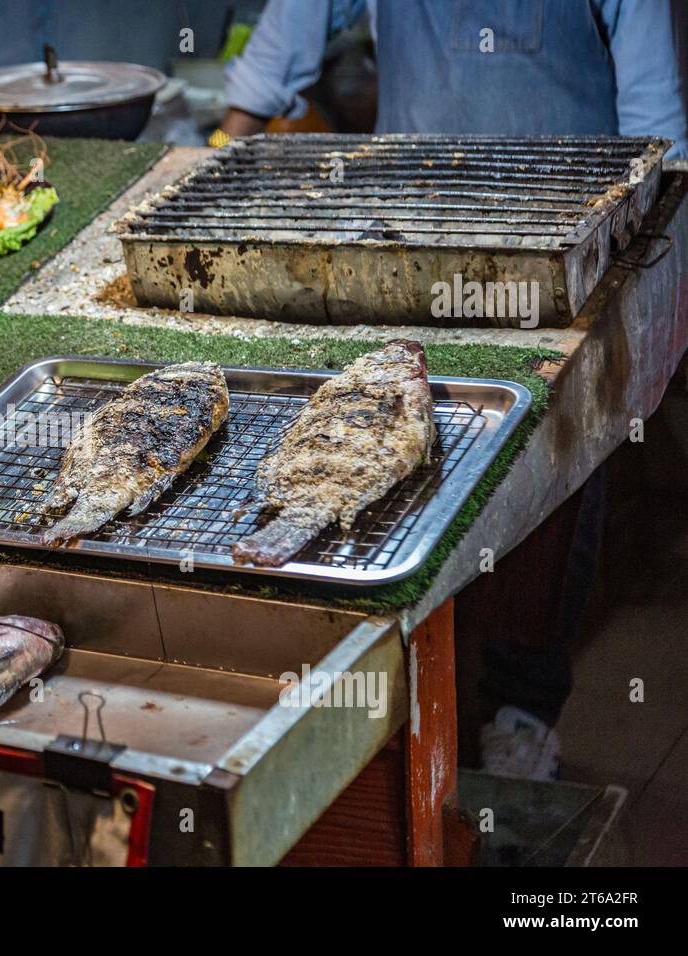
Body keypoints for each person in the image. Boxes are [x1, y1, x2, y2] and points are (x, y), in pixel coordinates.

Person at [218, 0, 685, 779]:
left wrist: (636, 279)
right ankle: (403, 711)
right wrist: (227, 137)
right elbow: (294, 23)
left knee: (557, 484)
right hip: (405, 232)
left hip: (565, 255)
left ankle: (520, 711)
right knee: (403, 449)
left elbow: (656, 121)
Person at [220, 0, 686, 157]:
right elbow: (278, 49)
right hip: (408, 223)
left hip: (580, 226)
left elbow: (654, 109)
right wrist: (219, 149)